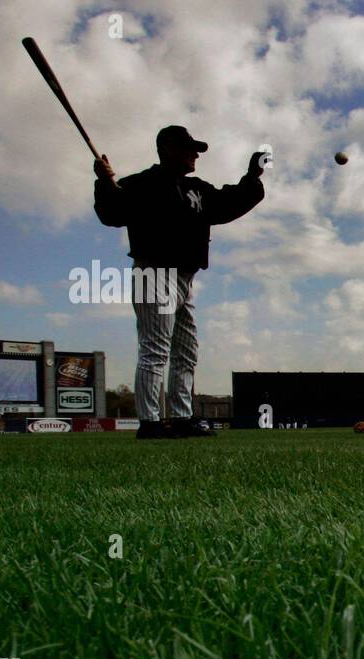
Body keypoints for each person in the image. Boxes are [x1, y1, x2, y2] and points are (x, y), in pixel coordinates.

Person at [94, 126, 265, 439]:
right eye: (189, 148)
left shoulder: (196, 188)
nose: (195, 154)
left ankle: (182, 417)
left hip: (185, 277)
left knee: (186, 351)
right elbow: (111, 213)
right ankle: (150, 422)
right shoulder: (141, 184)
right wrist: (104, 183)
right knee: (155, 350)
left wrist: (253, 176)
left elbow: (228, 203)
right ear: (169, 148)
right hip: (154, 271)